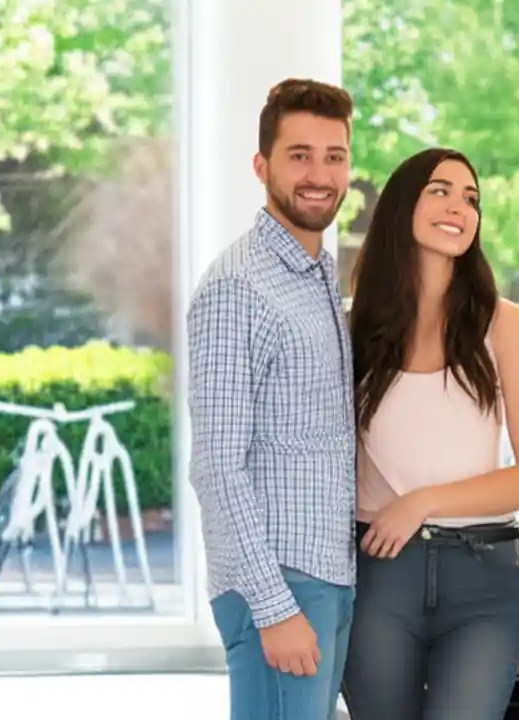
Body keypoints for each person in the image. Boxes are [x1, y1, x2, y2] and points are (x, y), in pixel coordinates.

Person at [340, 147, 519, 719]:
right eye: (440, 190)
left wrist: (424, 502)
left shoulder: (502, 324)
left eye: (471, 198)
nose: (459, 207)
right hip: (379, 573)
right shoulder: (350, 328)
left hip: (482, 578)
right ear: (401, 207)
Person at [186, 78, 357, 720]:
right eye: (299, 155)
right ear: (262, 166)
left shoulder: (315, 272)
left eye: (334, 156)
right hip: (281, 582)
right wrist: (274, 605)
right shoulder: (238, 287)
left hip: (328, 576)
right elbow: (217, 466)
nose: (319, 174)